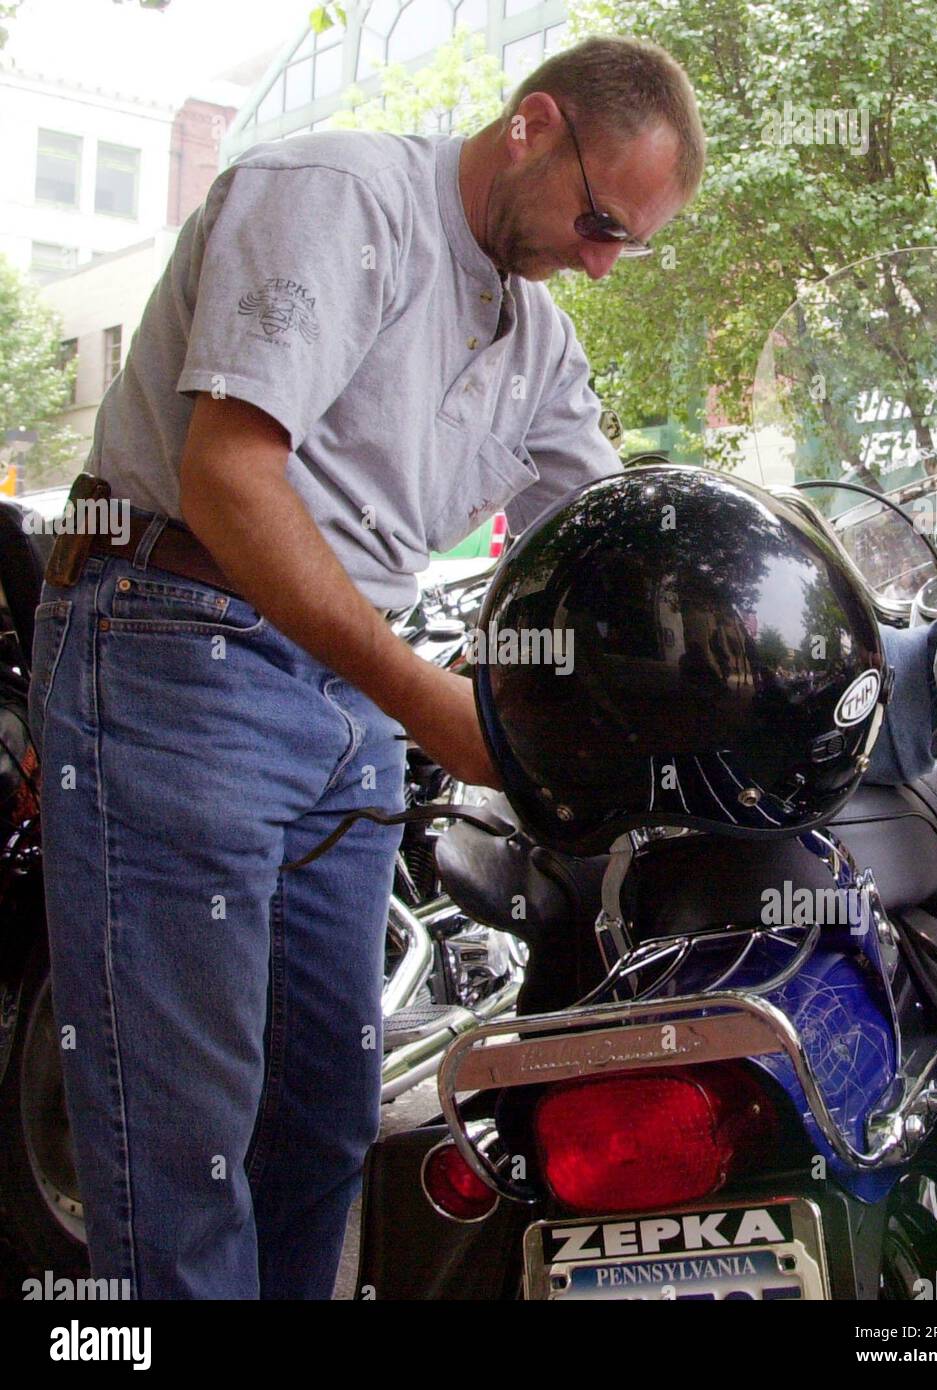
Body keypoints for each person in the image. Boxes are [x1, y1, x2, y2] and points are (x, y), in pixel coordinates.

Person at [27, 37, 706, 1298]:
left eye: (633, 243)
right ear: (531, 127)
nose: (604, 260)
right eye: (598, 217)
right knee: (183, 1150)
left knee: (322, 1122)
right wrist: (434, 703)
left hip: (348, 705)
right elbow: (228, 478)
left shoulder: (537, 338)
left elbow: (626, 537)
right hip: (180, 647)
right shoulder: (342, 197)